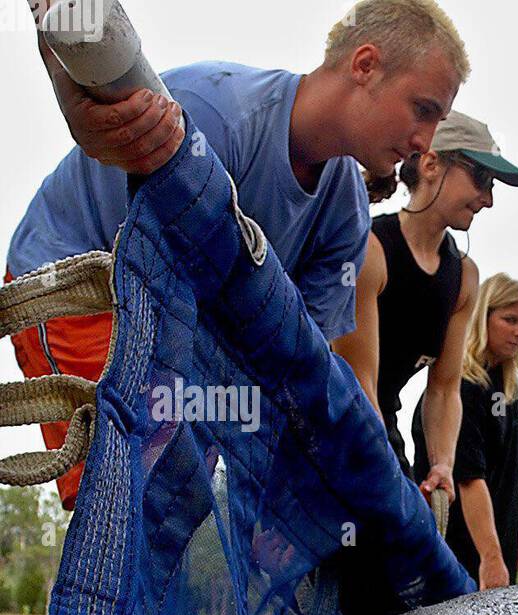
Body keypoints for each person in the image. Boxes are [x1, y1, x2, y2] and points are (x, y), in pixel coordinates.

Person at [7, 0, 469, 509]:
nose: (427, 142)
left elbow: (299, 367)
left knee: (187, 498)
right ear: (365, 66)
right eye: (423, 109)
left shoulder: (345, 217)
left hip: (188, 328)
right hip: (83, 279)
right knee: (126, 489)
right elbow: (162, 306)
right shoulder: (212, 112)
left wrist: (358, 486)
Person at [334, 112, 518, 500]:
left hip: (381, 434)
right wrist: (390, 483)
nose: (488, 200)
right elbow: (357, 382)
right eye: (481, 180)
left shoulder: (464, 277)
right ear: (431, 163)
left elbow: (443, 388)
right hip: (326, 431)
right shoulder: (370, 250)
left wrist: (442, 465)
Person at [415, 274, 518, 590]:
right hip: (460, 553)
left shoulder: (508, 390)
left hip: (494, 548)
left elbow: (511, 472)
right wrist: (491, 556)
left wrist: (512, 539)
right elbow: (469, 478)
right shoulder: (463, 389)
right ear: (483, 317)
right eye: (510, 320)